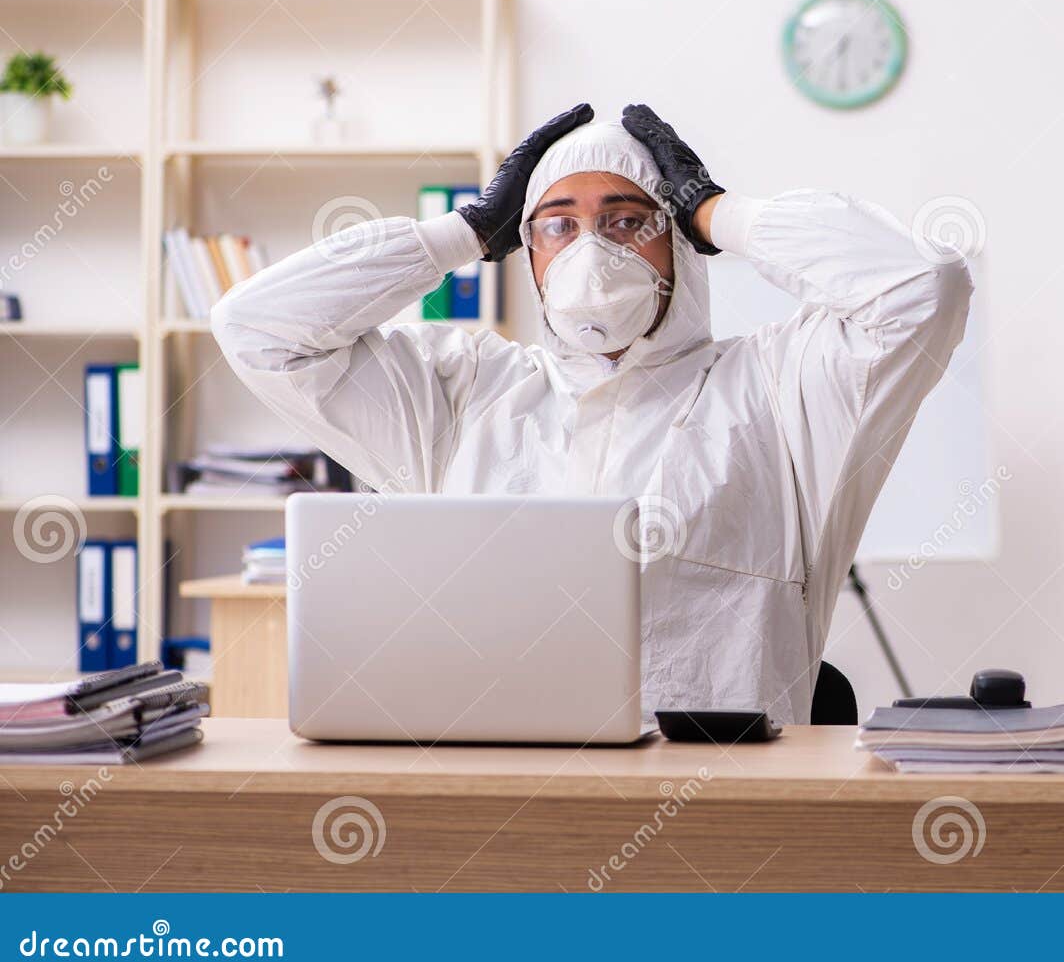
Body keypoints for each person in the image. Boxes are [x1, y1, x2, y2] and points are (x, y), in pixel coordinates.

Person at [212, 104, 972, 725]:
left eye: (626, 220)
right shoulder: (465, 390)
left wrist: (719, 211)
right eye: (557, 224)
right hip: (501, 806)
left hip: (722, 821)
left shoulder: (780, 388)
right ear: (527, 248)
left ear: (677, 240)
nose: (589, 250)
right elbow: (258, 330)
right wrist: (465, 230)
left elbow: (922, 286)